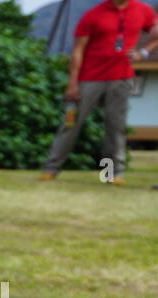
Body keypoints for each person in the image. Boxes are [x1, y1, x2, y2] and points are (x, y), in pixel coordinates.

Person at [40, 0, 158, 185]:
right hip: (89, 79)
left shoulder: (143, 10)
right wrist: (73, 83)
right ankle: (51, 169)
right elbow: (78, 50)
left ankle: (111, 174)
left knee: (114, 129)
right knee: (71, 124)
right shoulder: (93, 15)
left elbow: (156, 33)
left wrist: (143, 53)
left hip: (121, 78)